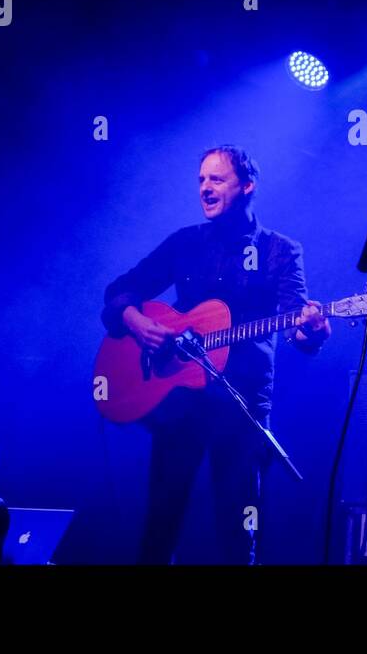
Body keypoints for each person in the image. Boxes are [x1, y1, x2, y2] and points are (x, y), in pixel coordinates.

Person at [101, 145, 330, 564]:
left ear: (247, 186)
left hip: (242, 407)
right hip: (179, 401)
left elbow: (297, 324)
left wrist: (311, 331)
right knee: (160, 526)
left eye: (217, 179)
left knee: (239, 531)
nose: (205, 188)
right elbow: (119, 291)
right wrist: (137, 322)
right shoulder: (184, 243)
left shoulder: (280, 251)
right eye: (201, 180)